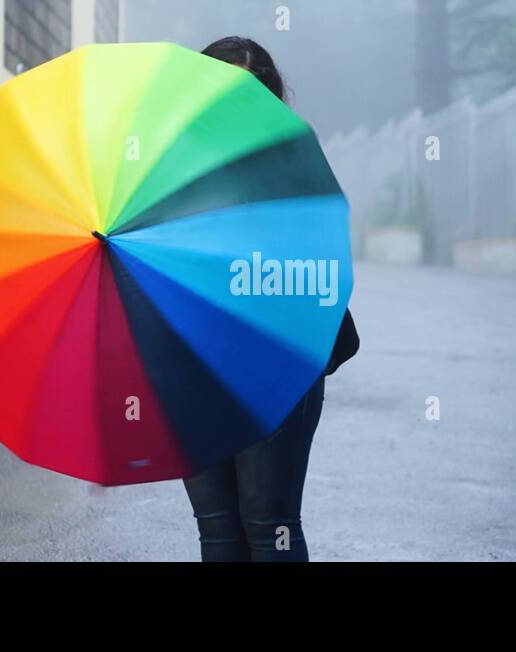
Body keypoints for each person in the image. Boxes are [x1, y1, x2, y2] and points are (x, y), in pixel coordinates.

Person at [181, 37, 359, 562]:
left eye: (256, 89)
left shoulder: (290, 158)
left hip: (278, 358)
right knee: (216, 530)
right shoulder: (165, 167)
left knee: (269, 524)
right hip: (191, 363)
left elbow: (324, 258)